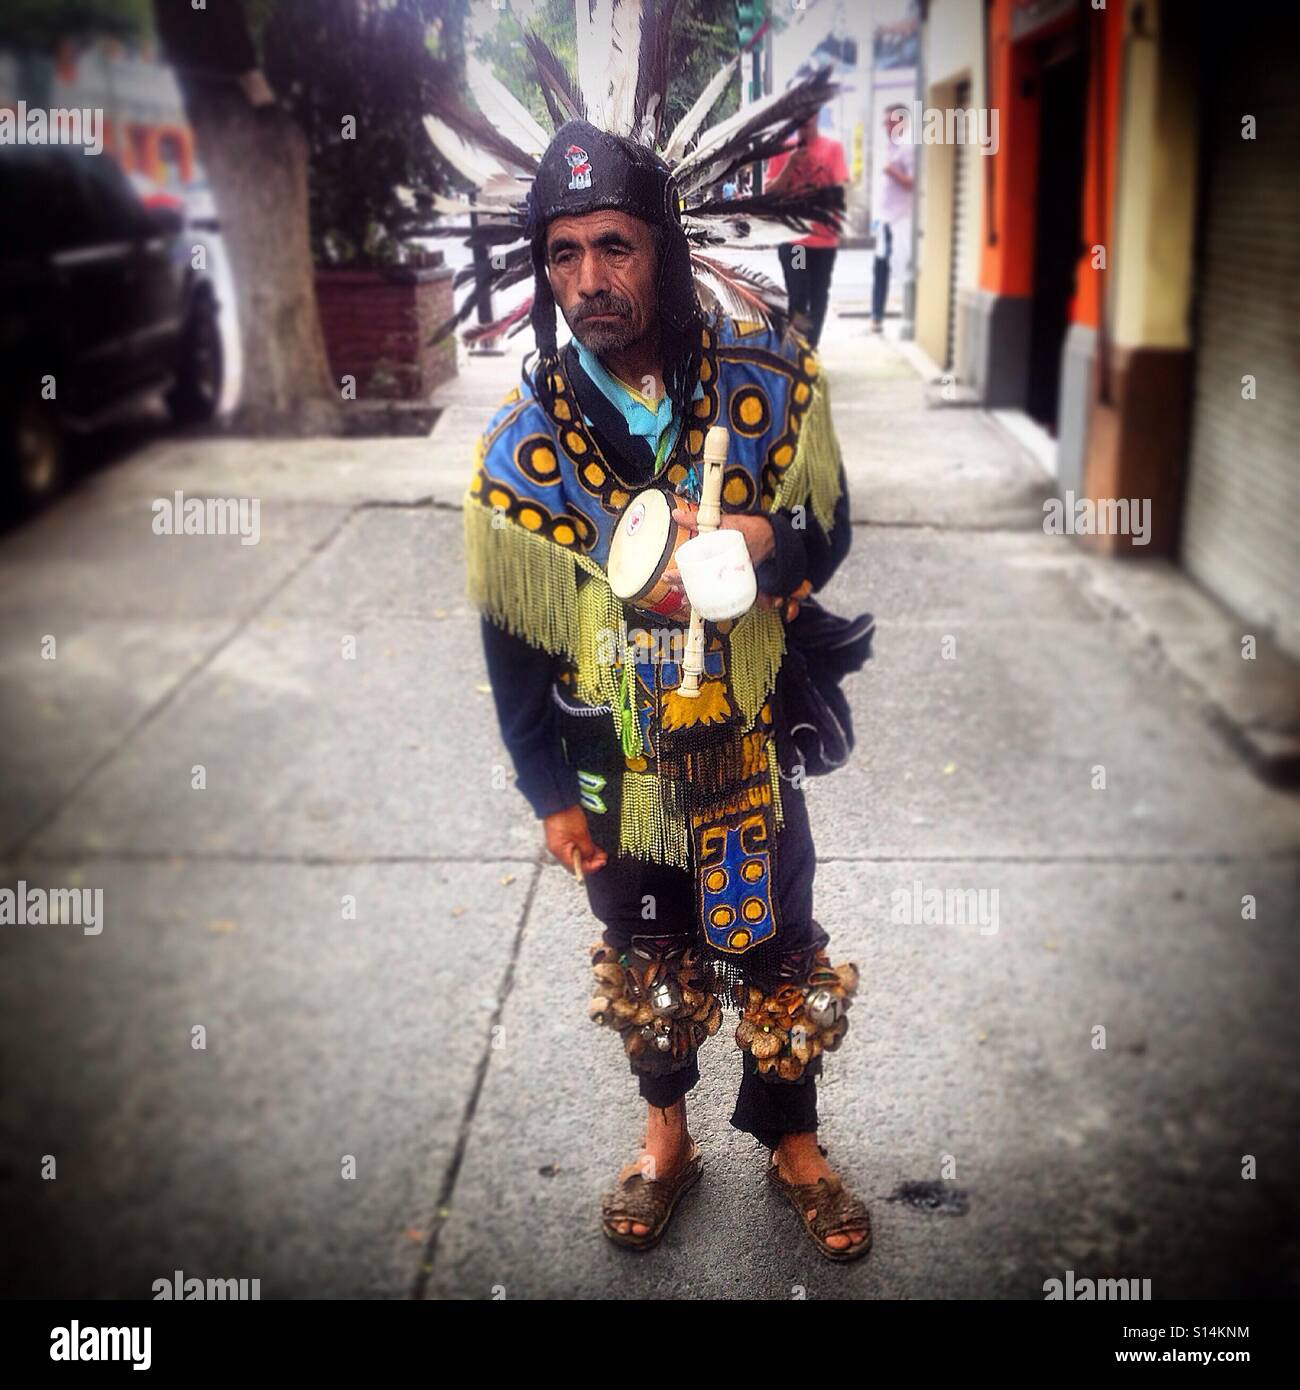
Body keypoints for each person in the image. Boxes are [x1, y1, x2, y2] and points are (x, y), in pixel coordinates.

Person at [464, 117, 869, 1261]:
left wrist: (762, 543)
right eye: (562, 253)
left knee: (779, 941)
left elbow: (827, 527)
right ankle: (667, 1143)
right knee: (648, 962)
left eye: (614, 246)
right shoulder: (522, 439)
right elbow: (508, 636)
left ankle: (792, 1140)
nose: (588, 279)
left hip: (745, 741)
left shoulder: (763, 379)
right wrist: (546, 787)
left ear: (664, 249)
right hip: (617, 769)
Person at [764, 109, 848, 348]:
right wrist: (790, 165)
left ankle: (810, 350)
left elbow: (840, 187)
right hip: (796, 241)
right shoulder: (782, 150)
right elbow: (769, 193)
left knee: (819, 295)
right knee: (800, 295)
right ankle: (799, 351)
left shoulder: (832, 149)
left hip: (823, 240)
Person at [871, 103, 914, 333]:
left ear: (901, 122)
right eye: (885, 122)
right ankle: (876, 318)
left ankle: (909, 320)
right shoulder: (889, 146)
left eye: (889, 121)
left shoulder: (908, 147)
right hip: (885, 220)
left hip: (901, 220)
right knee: (880, 268)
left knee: (902, 269)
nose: (885, 126)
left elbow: (913, 183)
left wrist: (892, 172)